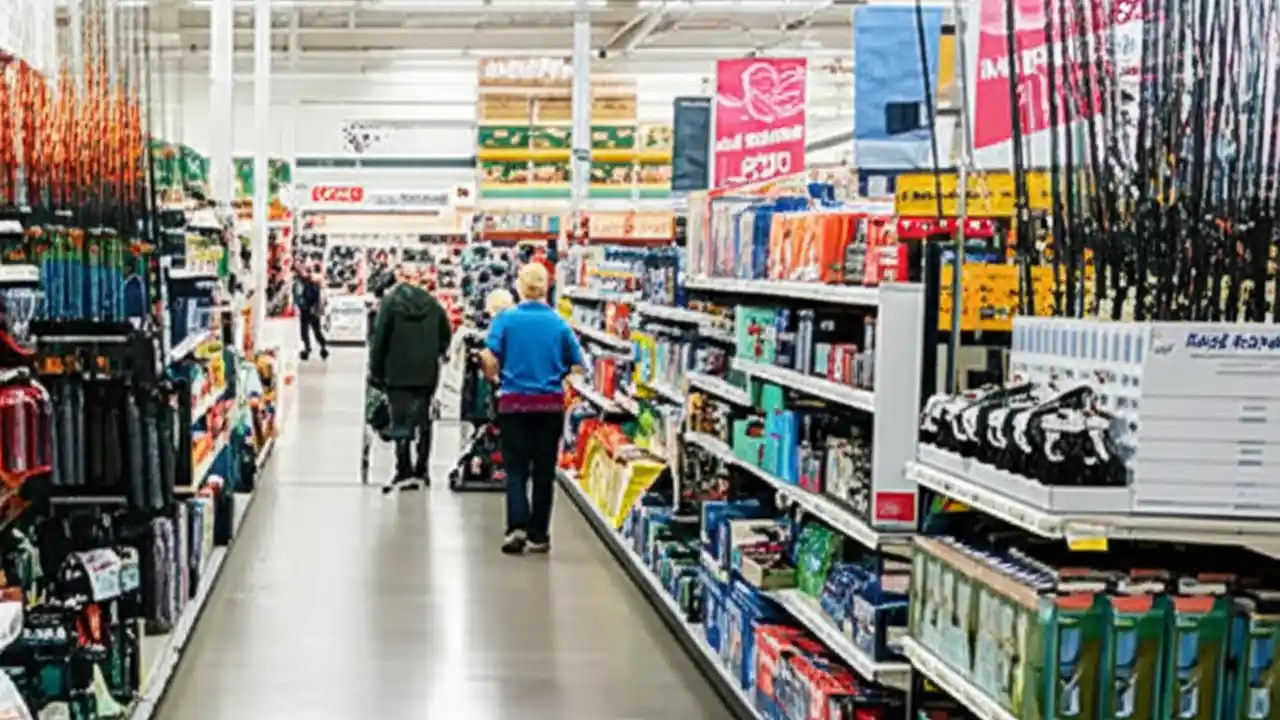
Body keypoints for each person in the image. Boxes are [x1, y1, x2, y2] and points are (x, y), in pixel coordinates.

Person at [480, 263, 585, 555]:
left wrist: (496, 378)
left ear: (520, 287)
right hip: (549, 405)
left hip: (513, 403)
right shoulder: (559, 323)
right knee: (543, 472)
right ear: (547, 287)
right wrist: (558, 375)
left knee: (515, 470)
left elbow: (488, 357)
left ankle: (516, 527)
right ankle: (539, 535)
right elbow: (577, 364)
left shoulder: (505, 320)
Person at [368, 267, 453, 490]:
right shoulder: (433, 306)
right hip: (426, 372)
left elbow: (380, 340)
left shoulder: (389, 304)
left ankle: (403, 468)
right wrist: (436, 352)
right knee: (424, 421)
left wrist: (376, 372)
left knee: (400, 422)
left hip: (396, 372)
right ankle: (422, 469)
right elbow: (446, 335)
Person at [297, 268, 329, 361]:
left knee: (312, 331)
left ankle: (317, 347)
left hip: (310, 311)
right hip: (308, 311)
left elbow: (312, 298)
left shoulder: (313, 286)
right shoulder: (307, 285)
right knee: (309, 332)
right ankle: (313, 348)